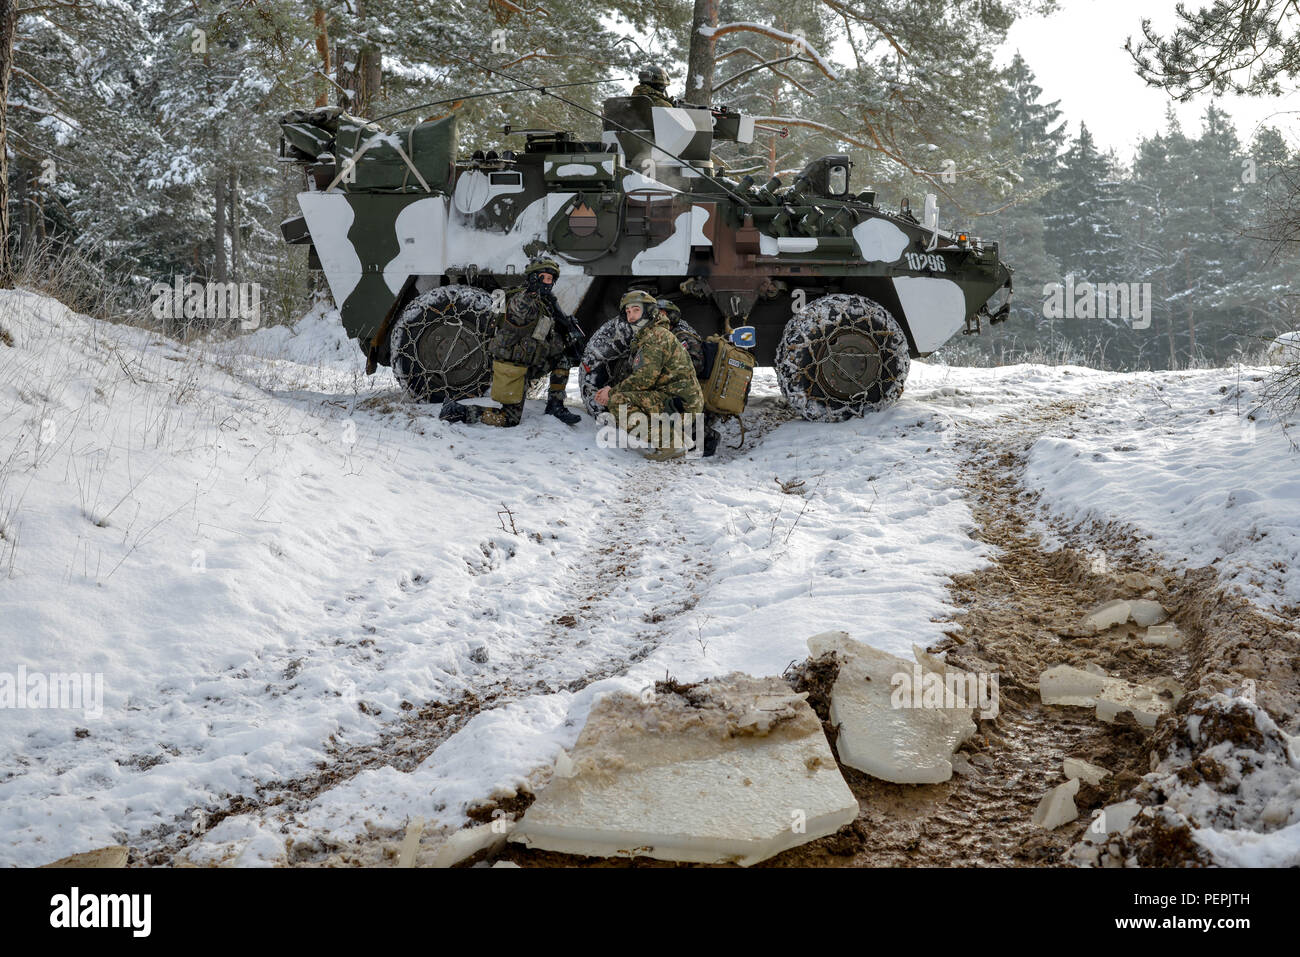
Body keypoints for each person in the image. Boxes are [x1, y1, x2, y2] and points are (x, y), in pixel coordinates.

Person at [440, 257, 583, 428]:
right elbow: (529, 328)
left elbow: (542, 339)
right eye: (543, 278)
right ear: (533, 278)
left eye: (550, 279)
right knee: (508, 419)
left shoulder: (542, 302)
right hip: (512, 367)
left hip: (527, 363)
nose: (547, 283)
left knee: (562, 359)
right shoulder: (522, 301)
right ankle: (457, 411)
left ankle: (555, 405)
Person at [593, 290, 704, 458]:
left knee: (618, 401)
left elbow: (643, 380)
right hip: (676, 399)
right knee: (623, 396)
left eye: (636, 310)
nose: (631, 316)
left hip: (681, 404)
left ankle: (670, 444)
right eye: (628, 312)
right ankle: (674, 438)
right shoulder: (650, 335)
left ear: (650, 311)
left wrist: (611, 392)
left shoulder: (656, 336)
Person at [657, 299, 721, 458]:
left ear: (671, 316)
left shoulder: (682, 336)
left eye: (661, 314)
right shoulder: (668, 335)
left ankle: (707, 439)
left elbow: (695, 365)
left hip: (695, 394)